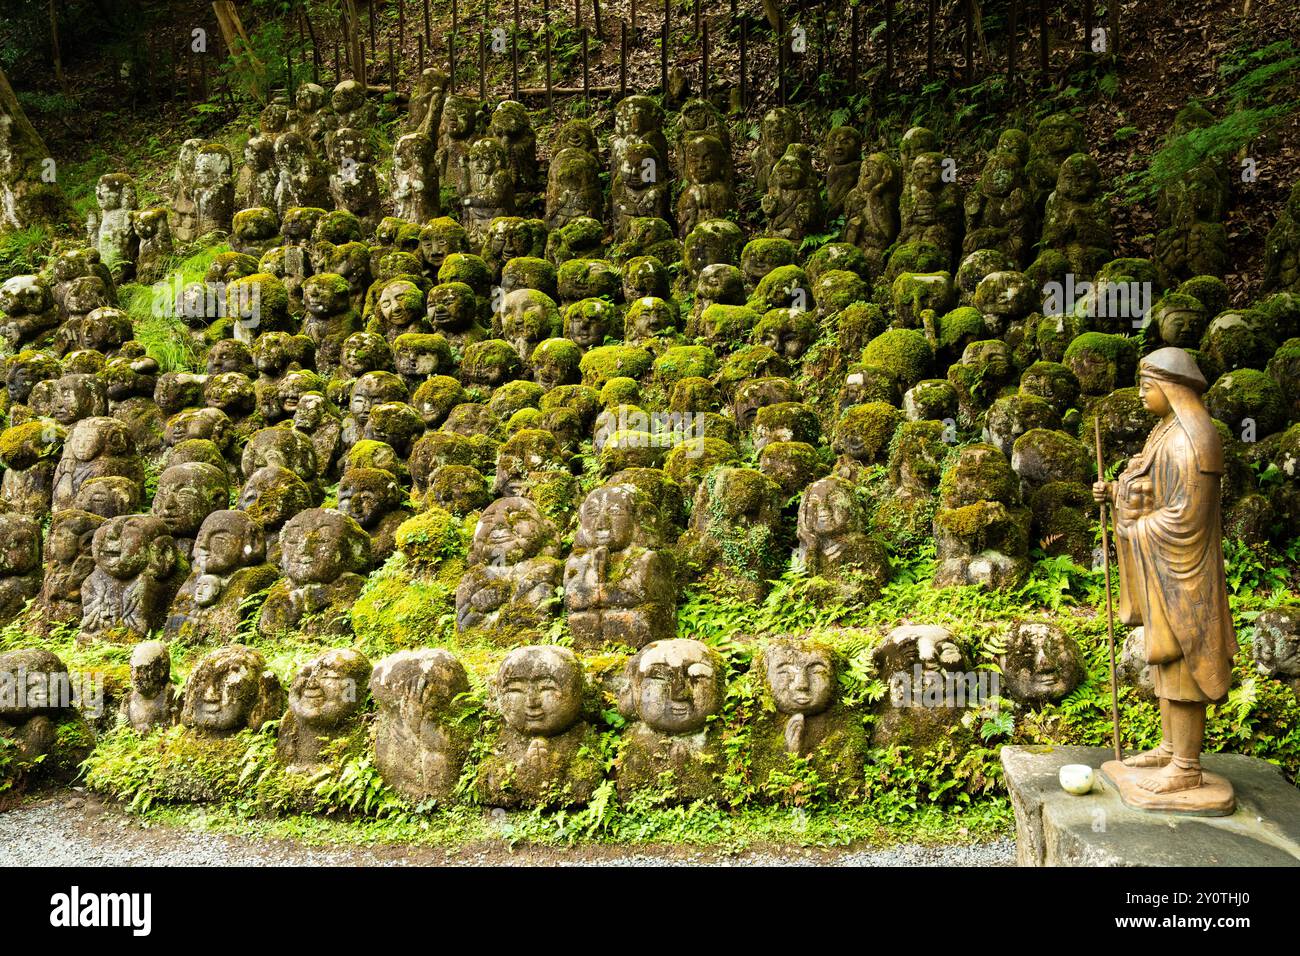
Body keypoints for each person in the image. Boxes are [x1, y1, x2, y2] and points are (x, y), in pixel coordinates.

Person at [1092, 347, 1237, 796]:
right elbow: (1154, 489)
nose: (1140, 395)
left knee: (1183, 662)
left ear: (1171, 389)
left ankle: (1187, 765)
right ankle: (1170, 746)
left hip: (1183, 570)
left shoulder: (1190, 439)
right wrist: (1117, 491)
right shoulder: (1165, 432)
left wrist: (1136, 526)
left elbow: (1185, 518)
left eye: (1147, 387)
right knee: (1165, 658)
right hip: (1163, 569)